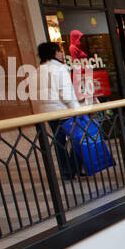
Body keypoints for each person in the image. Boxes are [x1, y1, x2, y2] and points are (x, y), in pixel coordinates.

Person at [33, 40, 81, 178]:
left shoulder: (37, 71)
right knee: (79, 139)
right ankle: (73, 167)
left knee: (60, 142)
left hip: (48, 114)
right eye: (59, 51)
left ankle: (67, 171)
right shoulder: (59, 69)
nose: (61, 54)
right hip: (64, 111)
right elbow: (65, 94)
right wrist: (77, 109)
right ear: (54, 53)